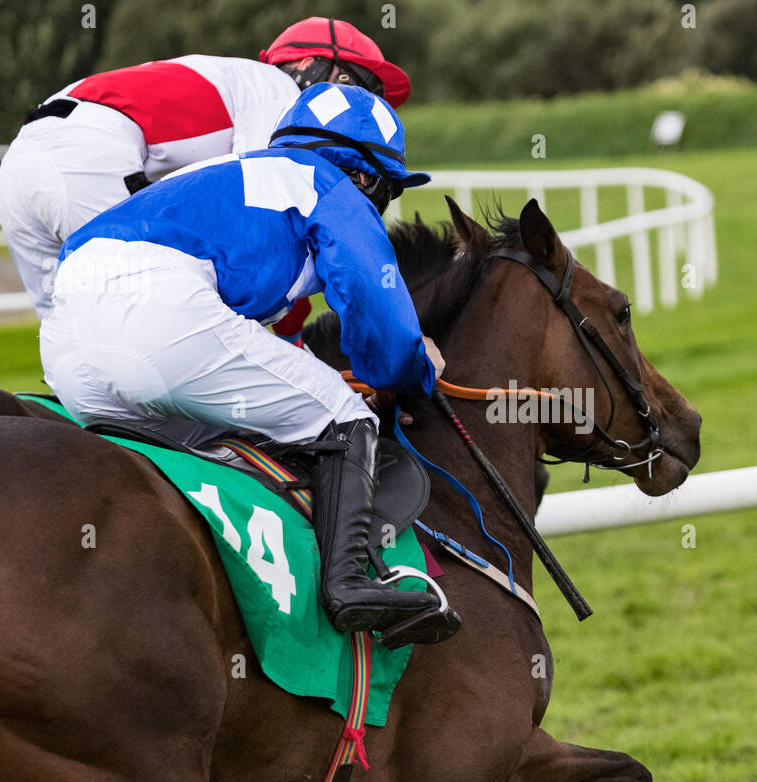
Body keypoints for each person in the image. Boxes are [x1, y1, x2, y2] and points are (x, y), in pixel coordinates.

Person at [39, 83, 453, 647]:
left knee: (225, 453)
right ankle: (348, 586)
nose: (382, 208)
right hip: (161, 320)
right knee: (345, 416)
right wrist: (413, 370)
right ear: (365, 177)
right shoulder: (332, 186)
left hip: (67, 340)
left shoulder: (229, 171)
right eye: (387, 192)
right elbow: (372, 305)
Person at [0, 17, 410, 322]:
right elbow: (277, 223)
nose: (365, 104)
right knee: (165, 328)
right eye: (361, 85)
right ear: (311, 67)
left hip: (19, 169)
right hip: (89, 161)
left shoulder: (237, 81)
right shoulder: (278, 94)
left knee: (71, 340)